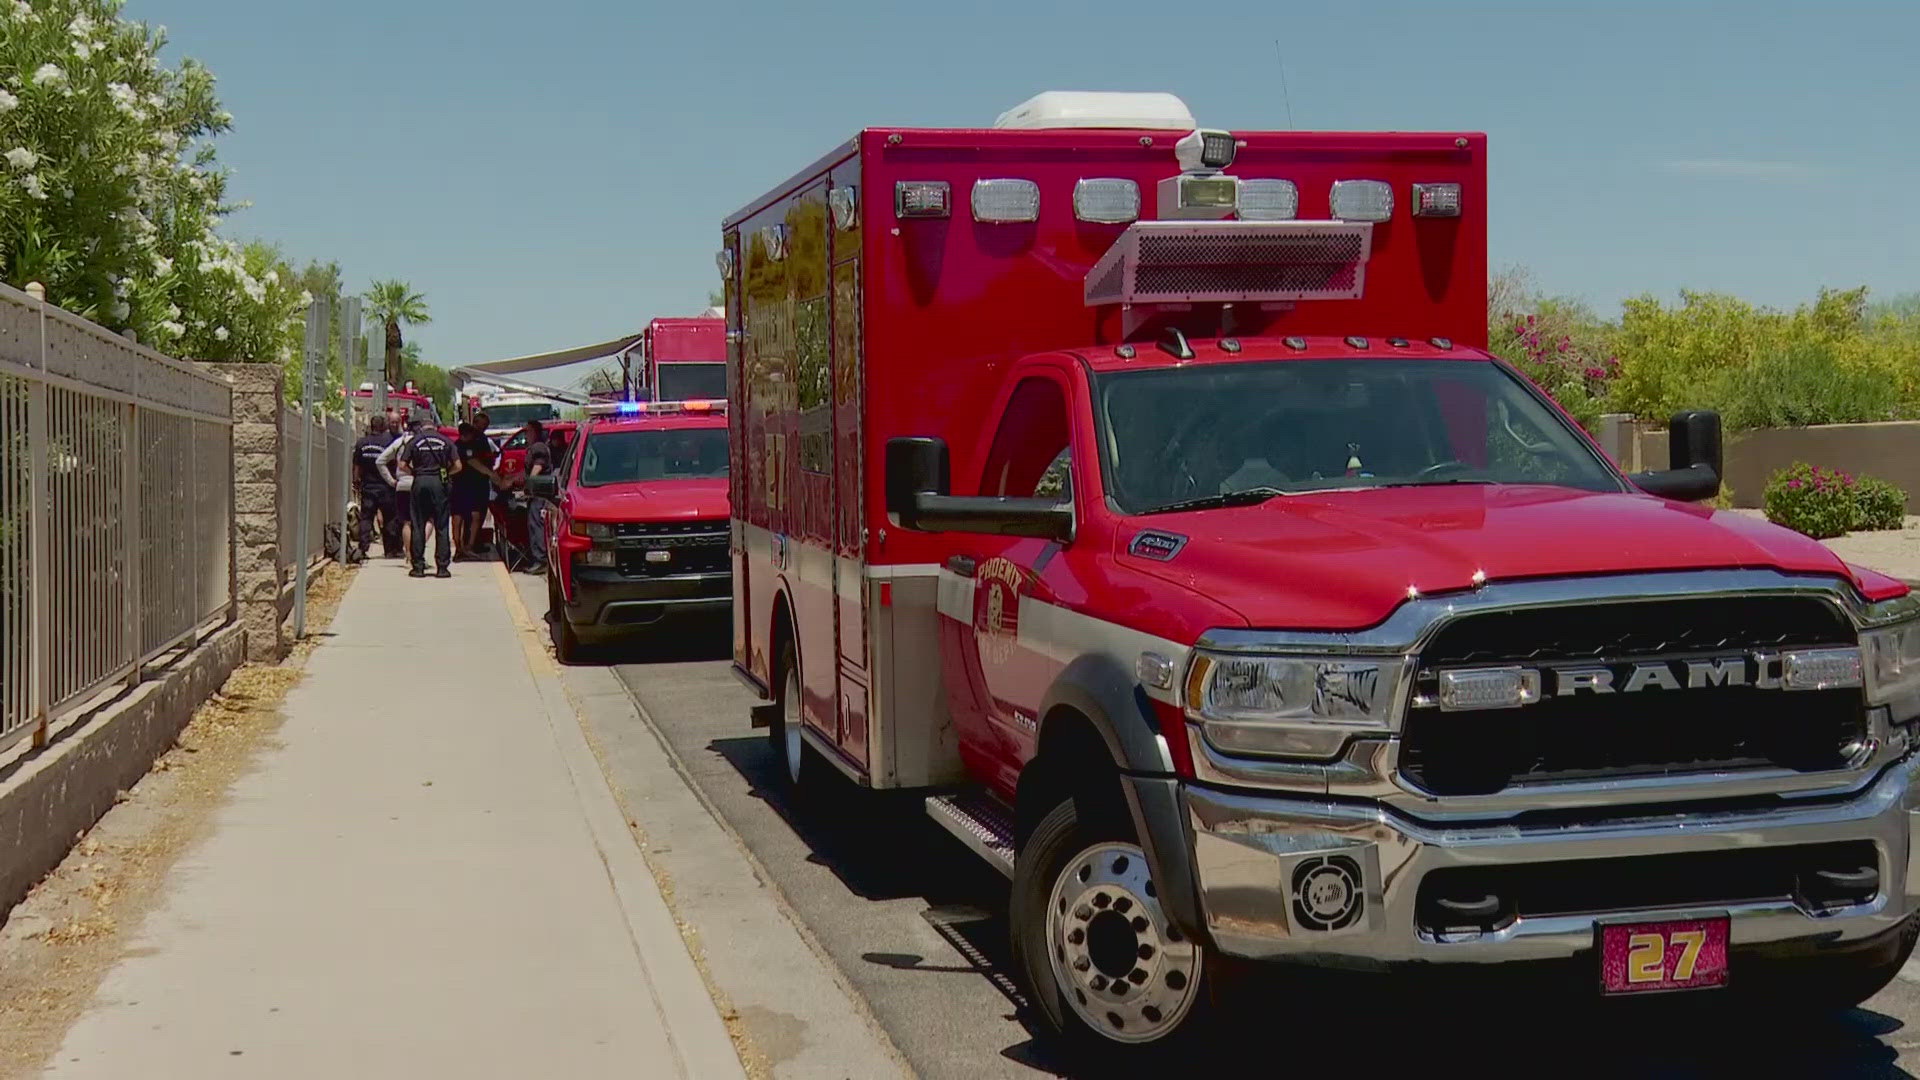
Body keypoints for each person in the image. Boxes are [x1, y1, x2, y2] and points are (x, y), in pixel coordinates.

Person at [399, 417, 461, 578]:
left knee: (418, 525)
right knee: (441, 526)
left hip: (420, 482)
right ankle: (442, 568)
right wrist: (446, 473)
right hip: (439, 484)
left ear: (421, 427)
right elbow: (458, 466)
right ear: (435, 427)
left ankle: (418, 567)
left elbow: (402, 465)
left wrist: (416, 472)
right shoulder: (446, 441)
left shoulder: (414, 441)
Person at [351, 414, 398, 559]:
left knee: (366, 518)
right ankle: (390, 550)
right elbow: (394, 463)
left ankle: (363, 549)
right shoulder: (389, 442)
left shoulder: (362, 443)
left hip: (368, 486)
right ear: (383, 426)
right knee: (389, 518)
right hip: (386, 487)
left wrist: (356, 481)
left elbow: (357, 466)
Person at [376, 413, 417, 559]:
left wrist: (392, 480)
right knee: (422, 521)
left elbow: (380, 461)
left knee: (406, 522)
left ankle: (408, 554)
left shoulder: (400, 442)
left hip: (403, 484)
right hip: (420, 483)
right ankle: (418, 551)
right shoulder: (423, 441)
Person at [520, 419, 553, 572]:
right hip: (536, 492)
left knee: (537, 526)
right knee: (533, 525)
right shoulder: (533, 447)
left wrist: (529, 484)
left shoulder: (539, 447)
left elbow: (537, 467)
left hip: (540, 494)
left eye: (527, 431)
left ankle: (541, 560)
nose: (526, 435)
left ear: (534, 432)